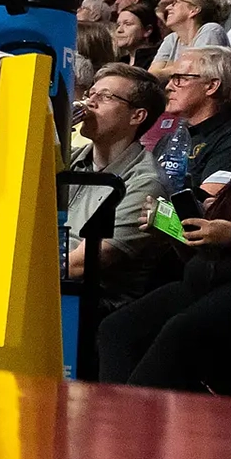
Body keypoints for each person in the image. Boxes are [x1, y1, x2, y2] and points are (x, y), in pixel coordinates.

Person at [98, 106, 231, 392]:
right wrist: (174, 231)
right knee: (117, 329)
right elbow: (205, 249)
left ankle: (128, 428)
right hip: (207, 276)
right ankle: (123, 425)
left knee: (181, 332)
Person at [67, 64, 169, 312]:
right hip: (50, 281)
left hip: (91, 302)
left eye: (105, 97)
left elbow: (81, 265)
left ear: (137, 116)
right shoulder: (69, 159)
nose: (90, 103)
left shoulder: (146, 182)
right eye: (90, 94)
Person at [164, 46, 231, 196]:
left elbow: (199, 205)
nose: (169, 86)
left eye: (179, 79)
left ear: (212, 86)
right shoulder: (171, 137)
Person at [150, 0, 231, 79]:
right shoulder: (171, 39)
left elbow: (195, 72)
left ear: (194, 10)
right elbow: (152, 76)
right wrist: (176, 69)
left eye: (176, 2)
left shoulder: (211, 30)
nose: (168, 7)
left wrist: (167, 69)